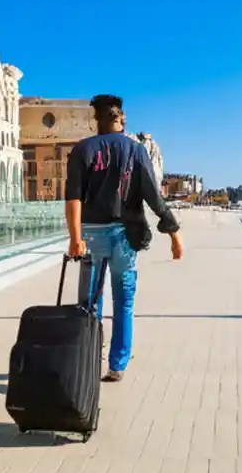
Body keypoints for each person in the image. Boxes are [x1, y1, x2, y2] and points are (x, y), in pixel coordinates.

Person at [64, 94, 183, 382]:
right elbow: (153, 196)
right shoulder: (136, 150)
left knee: (90, 304)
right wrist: (174, 233)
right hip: (124, 236)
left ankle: (90, 361)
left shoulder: (83, 150)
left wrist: (74, 238)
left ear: (99, 118)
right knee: (124, 301)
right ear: (121, 117)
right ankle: (117, 366)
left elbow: (73, 198)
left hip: (91, 235)